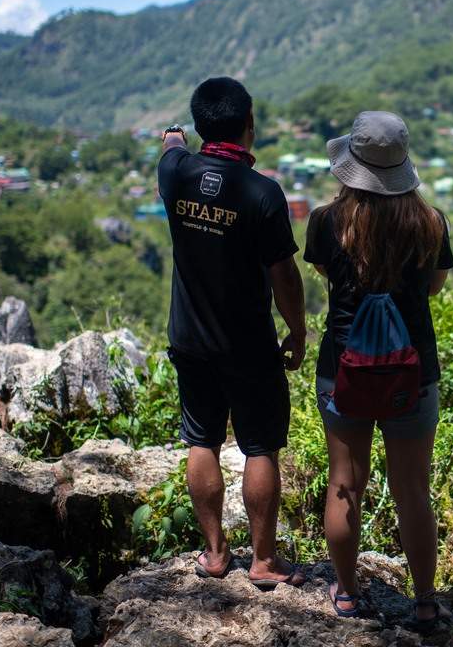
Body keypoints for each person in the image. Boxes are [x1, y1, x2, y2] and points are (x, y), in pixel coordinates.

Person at [304, 110, 453, 630]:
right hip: (414, 371)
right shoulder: (430, 223)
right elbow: (432, 288)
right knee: (413, 488)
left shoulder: (326, 221)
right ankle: (426, 603)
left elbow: (327, 275)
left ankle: (346, 595)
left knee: (345, 483)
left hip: (343, 367)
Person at [157, 76, 307, 589]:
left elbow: (172, 147)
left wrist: (174, 134)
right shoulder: (262, 193)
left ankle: (216, 552)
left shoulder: (175, 175)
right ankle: (263, 562)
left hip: (190, 339)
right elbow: (284, 274)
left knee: (201, 439)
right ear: (249, 125)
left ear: (202, 126)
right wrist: (299, 329)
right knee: (259, 447)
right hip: (248, 344)